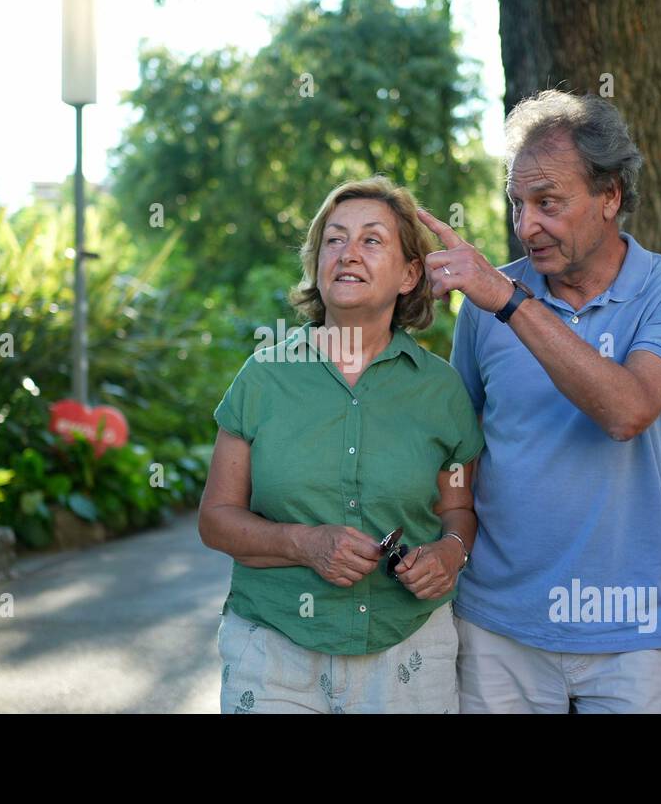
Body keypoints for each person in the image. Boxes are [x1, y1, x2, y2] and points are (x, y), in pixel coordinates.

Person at [417, 89, 661, 713]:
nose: (527, 226)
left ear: (610, 196)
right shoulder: (487, 302)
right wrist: (449, 543)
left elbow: (626, 411)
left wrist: (506, 301)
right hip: (498, 625)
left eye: (548, 202)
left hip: (631, 630)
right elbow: (458, 446)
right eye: (518, 204)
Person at [198, 175, 485, 714]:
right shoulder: (262, 377)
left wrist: (450, 552)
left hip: (409, 648)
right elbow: (215, 519)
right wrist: (305, 544)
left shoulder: (442, 390)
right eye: (334, 239)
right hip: (274, 649)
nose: (348, 253)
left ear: (409, 274)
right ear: (316, 263)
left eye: (371, 240)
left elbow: (459, 507)